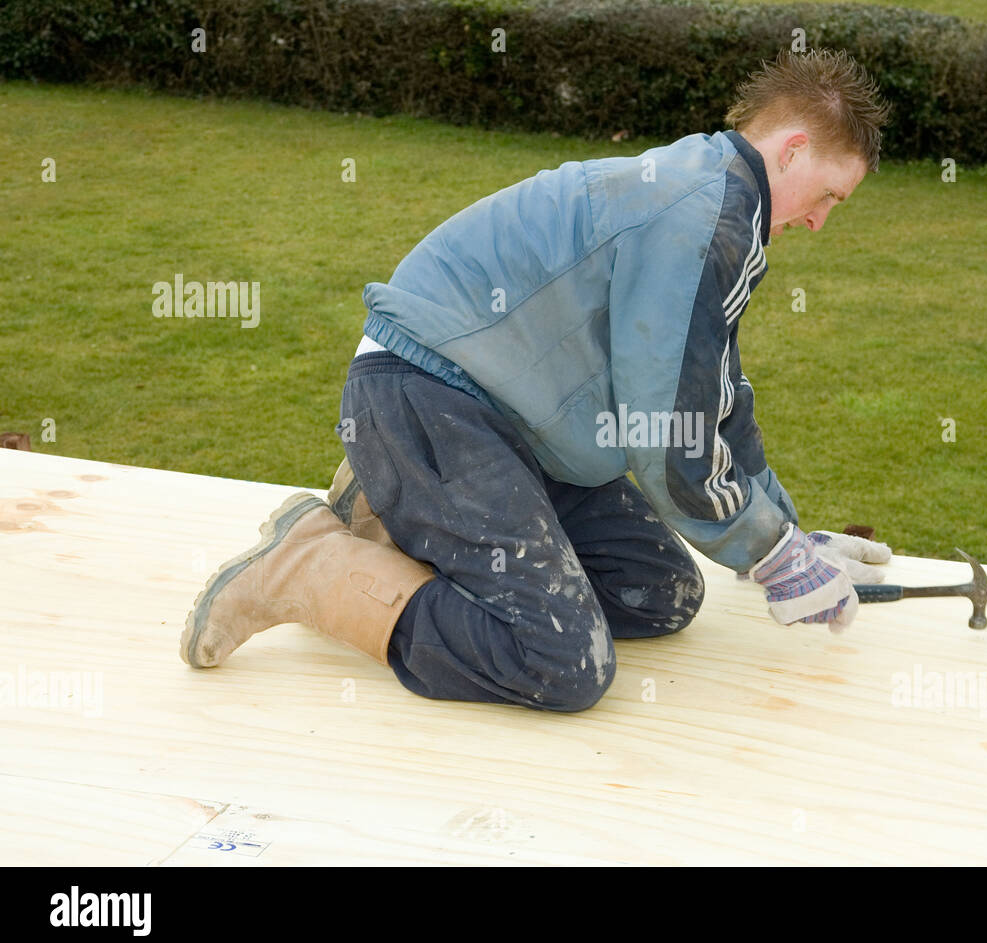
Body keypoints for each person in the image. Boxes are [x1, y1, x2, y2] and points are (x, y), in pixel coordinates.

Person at [180, 48, 895, 712]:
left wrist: (788, 532)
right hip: (430, 397)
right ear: (794, 151)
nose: (821, 222)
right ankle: (312, 566)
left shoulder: (714, 201)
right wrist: (768, 554)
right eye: (829, 195)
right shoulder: (704, 216)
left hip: (508, 420)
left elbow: (714, 397)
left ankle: (394, 506)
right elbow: (664, 436)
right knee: (561, 660)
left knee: (663, 594)